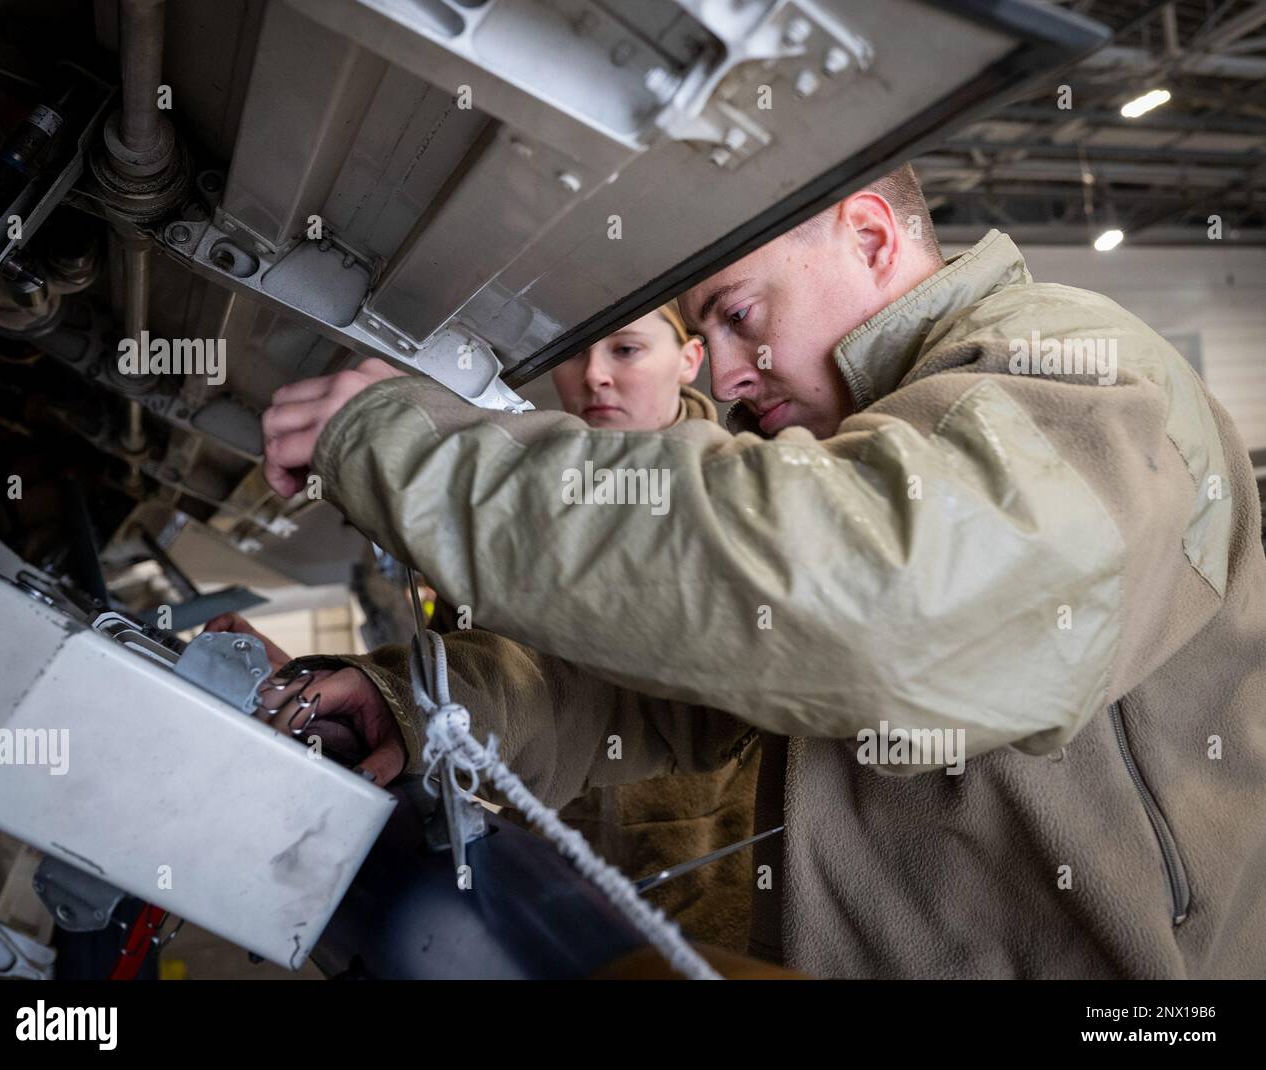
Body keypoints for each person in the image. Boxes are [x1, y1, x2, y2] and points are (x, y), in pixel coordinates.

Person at [257, 163, 1266, 979]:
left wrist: (420, 453)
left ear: (871, 237)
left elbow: (890, 604)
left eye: (740, 314)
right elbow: (647, 681)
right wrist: (433, 704)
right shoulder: (866, 440)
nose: (729, 372)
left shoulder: (1077, 367)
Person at [222, 304, 761, 951]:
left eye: (625, 350)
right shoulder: (507, 510)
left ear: (691, 361)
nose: (592, 376)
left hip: (716, 906)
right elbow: (488, 670)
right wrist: (390, 699)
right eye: (572, 351)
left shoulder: (746, 502)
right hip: (562, 892)